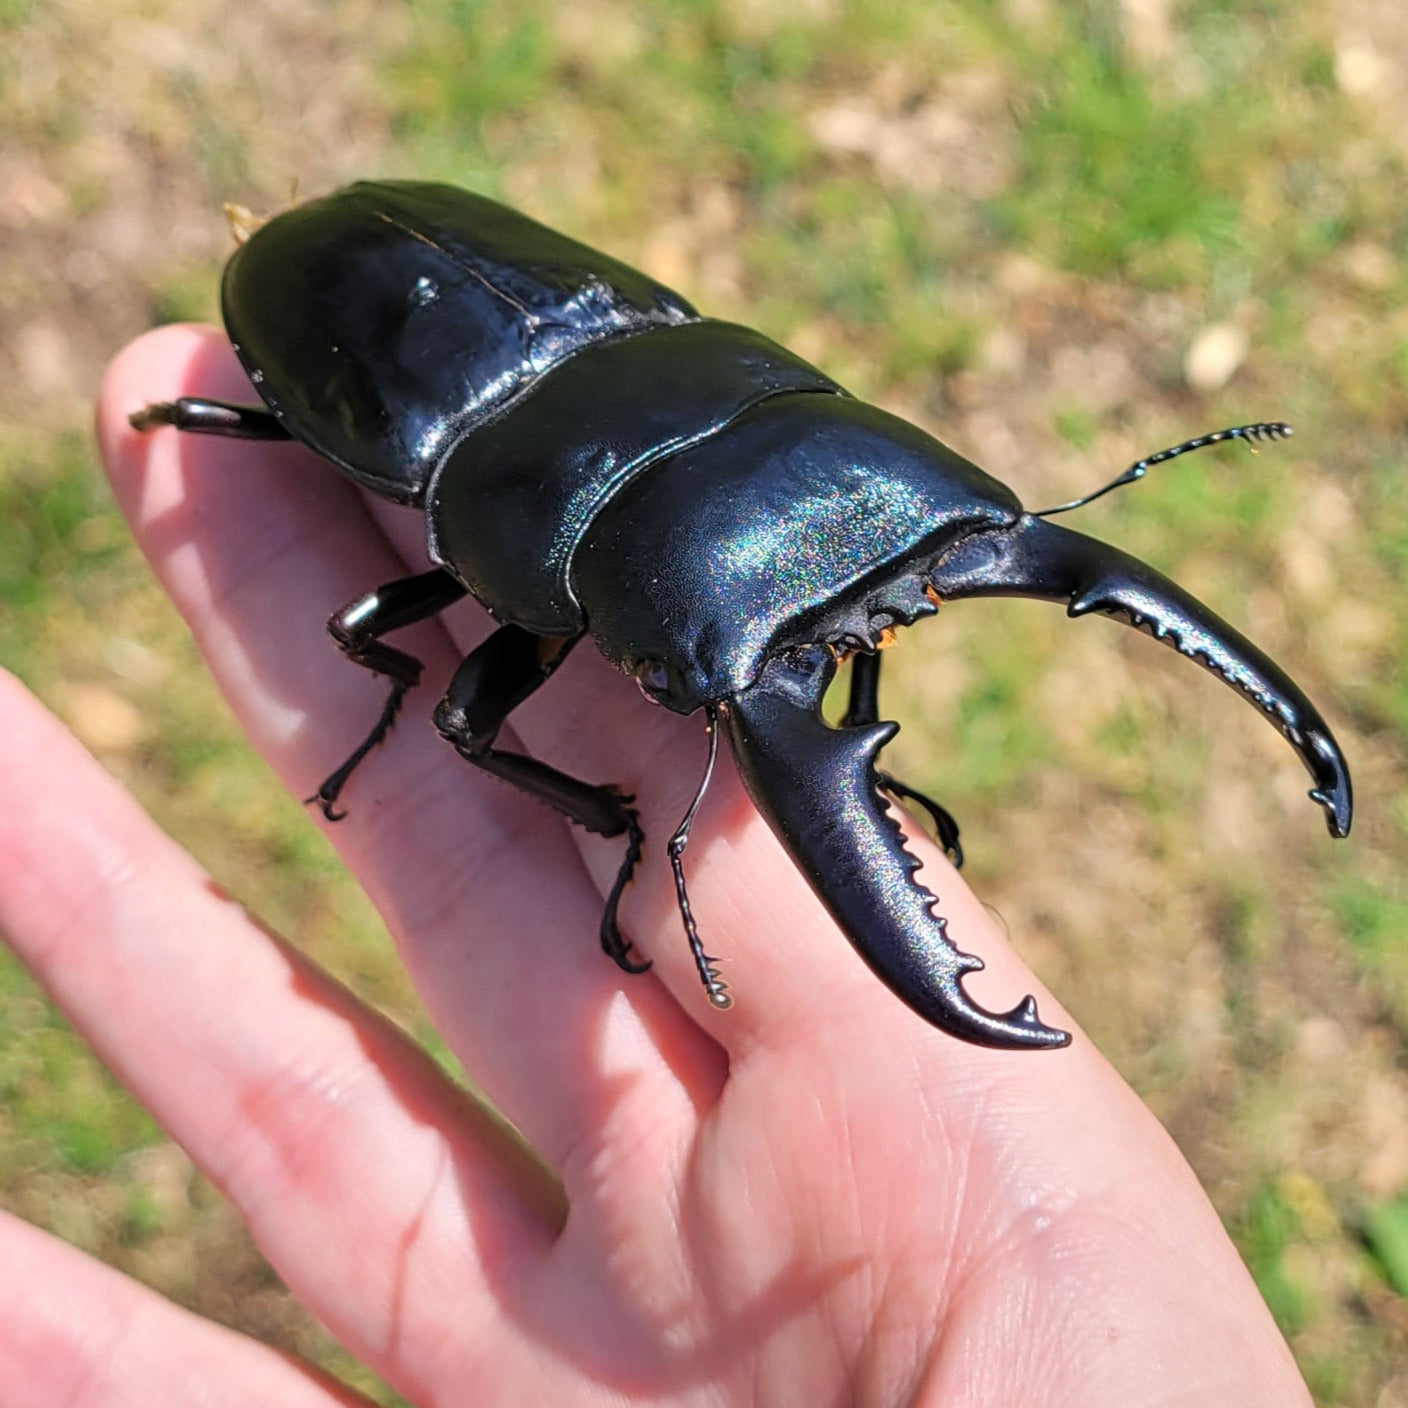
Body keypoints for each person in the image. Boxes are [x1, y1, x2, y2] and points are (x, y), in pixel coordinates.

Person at [0, 324, 1315, 1406]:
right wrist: (623, 809)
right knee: (456, 707)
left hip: (624, 358)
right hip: (383, 334)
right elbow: (464, 699)